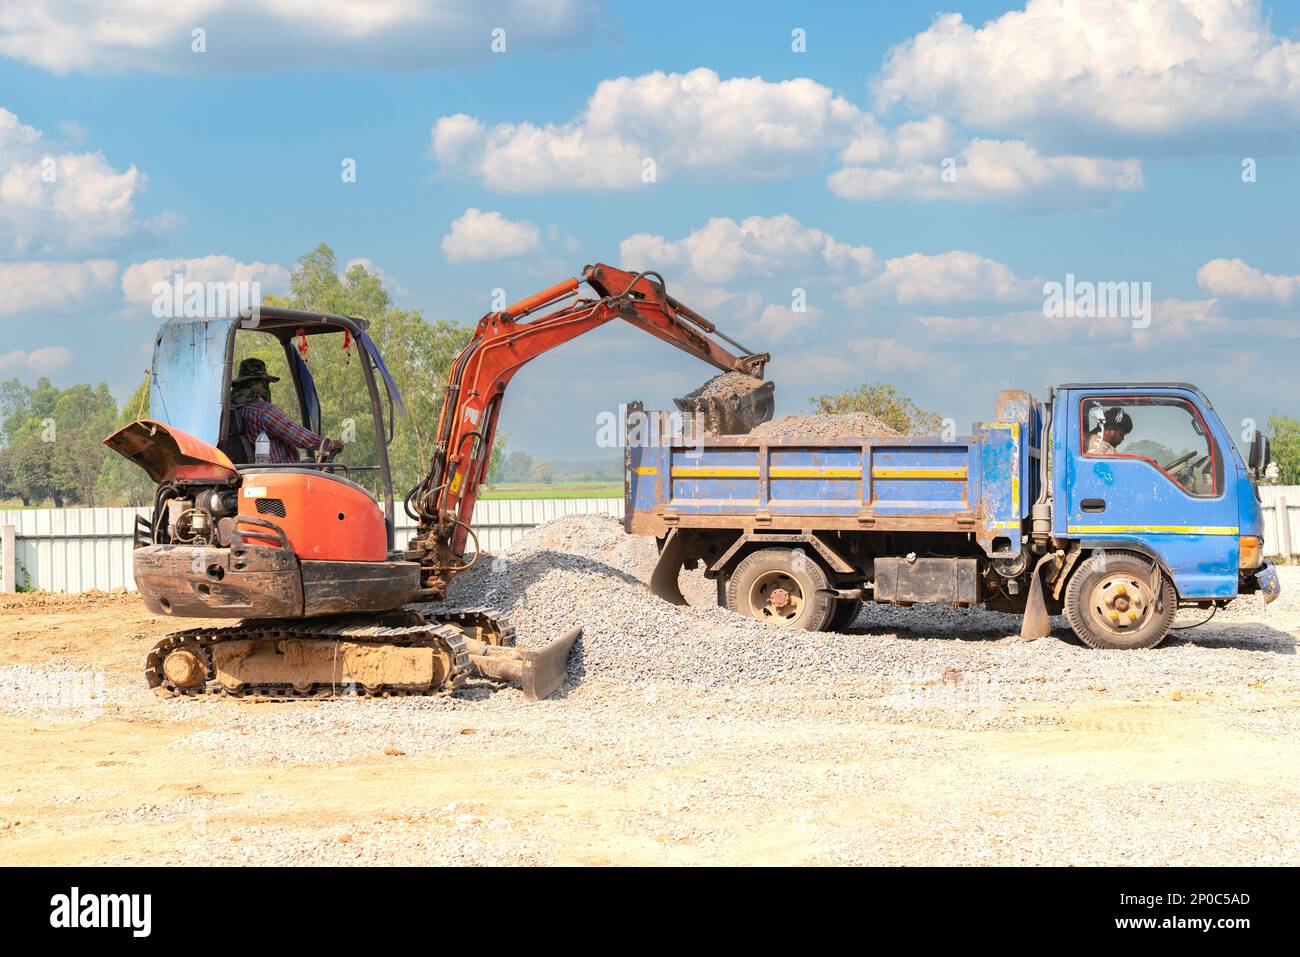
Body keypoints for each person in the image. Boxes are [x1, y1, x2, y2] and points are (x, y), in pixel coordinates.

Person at [230, 358, 343, 463]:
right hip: (281, 472)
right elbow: (297, 435)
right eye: (265, 383)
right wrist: (328, 444)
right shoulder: (263, 411)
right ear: (259, 384)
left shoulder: (235, 410)